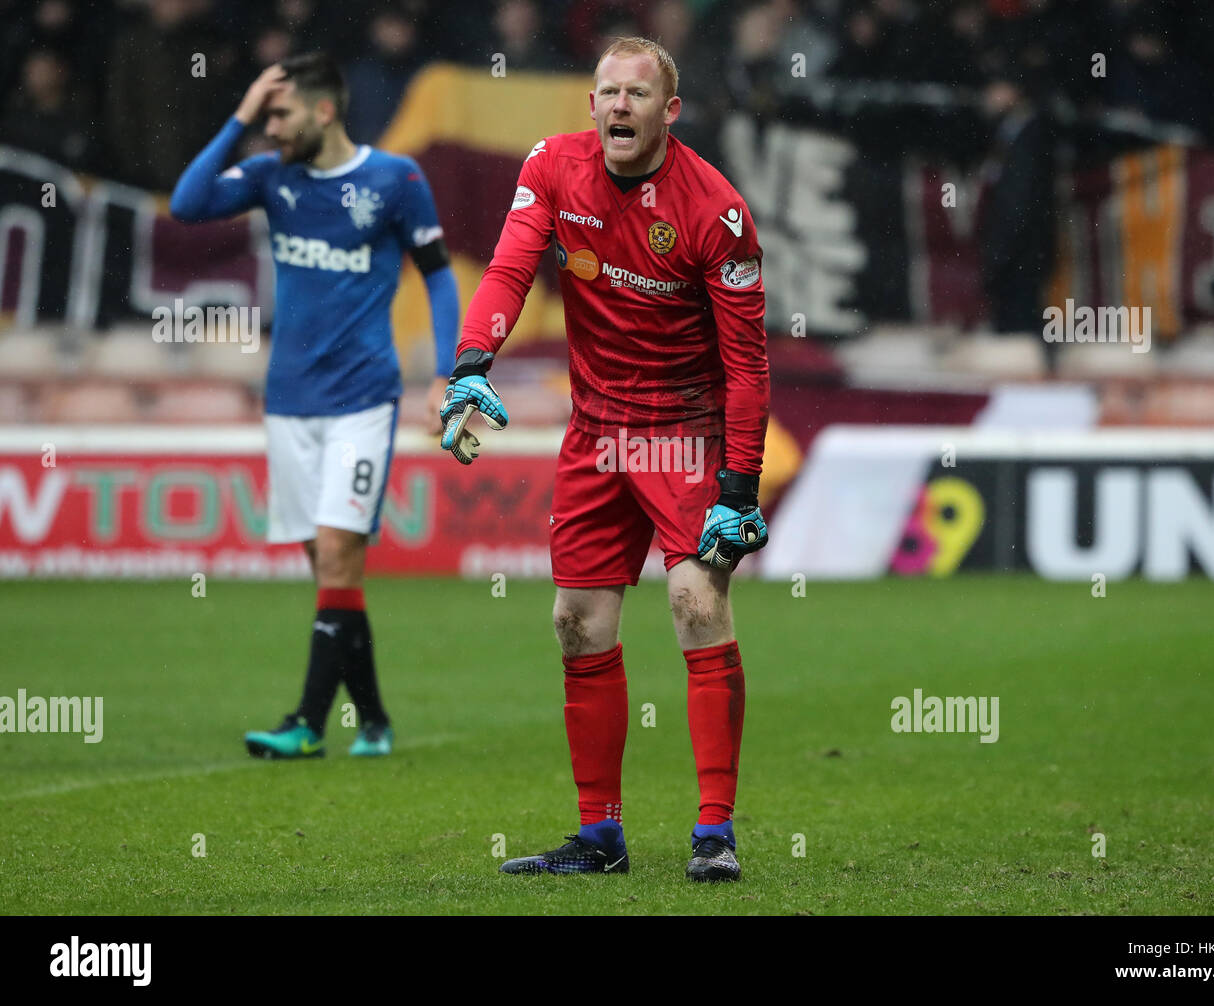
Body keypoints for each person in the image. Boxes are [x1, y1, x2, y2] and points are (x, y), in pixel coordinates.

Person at [439, 37, 770, 882]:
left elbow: (747, 364)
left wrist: (738, 484)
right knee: (575, 623)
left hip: (680, 432)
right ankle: (599, 836)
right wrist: (473, 360)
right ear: (591, 105)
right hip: (594, 433)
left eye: (637, 93)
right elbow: (510, 269)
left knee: (697, 601)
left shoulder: (716, 211)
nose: (619, 106)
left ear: (670, 110)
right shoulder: (553, 167)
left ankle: (714, 833)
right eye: (607, 92)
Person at [170, 53, 459, 759]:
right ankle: (377, 720)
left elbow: (441, 279)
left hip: (363, 398)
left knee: (334, 555)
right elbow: (186, 203)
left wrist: (449, 375)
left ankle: (305, 724)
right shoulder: (273, 178)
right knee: (331, 570)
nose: (269, 129)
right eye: (264, 118)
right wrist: (239, 111)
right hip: (290, 401)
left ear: (324, 110)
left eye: (280, 114)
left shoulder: (395, 180)